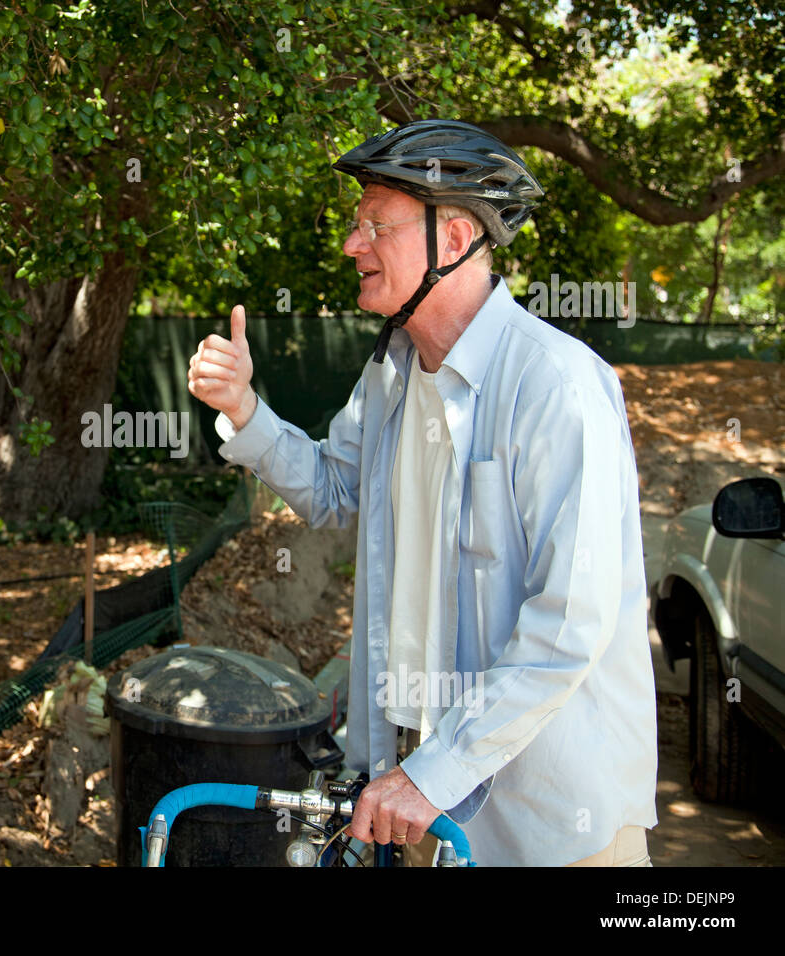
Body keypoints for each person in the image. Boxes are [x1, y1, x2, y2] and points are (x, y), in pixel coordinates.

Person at [187, 120, 657, 866]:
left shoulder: (555, 386)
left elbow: (571, 620)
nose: (352, 244)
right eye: (355, 223)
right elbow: (335, 490)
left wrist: (429, 777)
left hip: (549, 825)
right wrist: (245, 409)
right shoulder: (392, 376)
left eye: (376, 222)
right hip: (422, 807)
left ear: (454, 237)